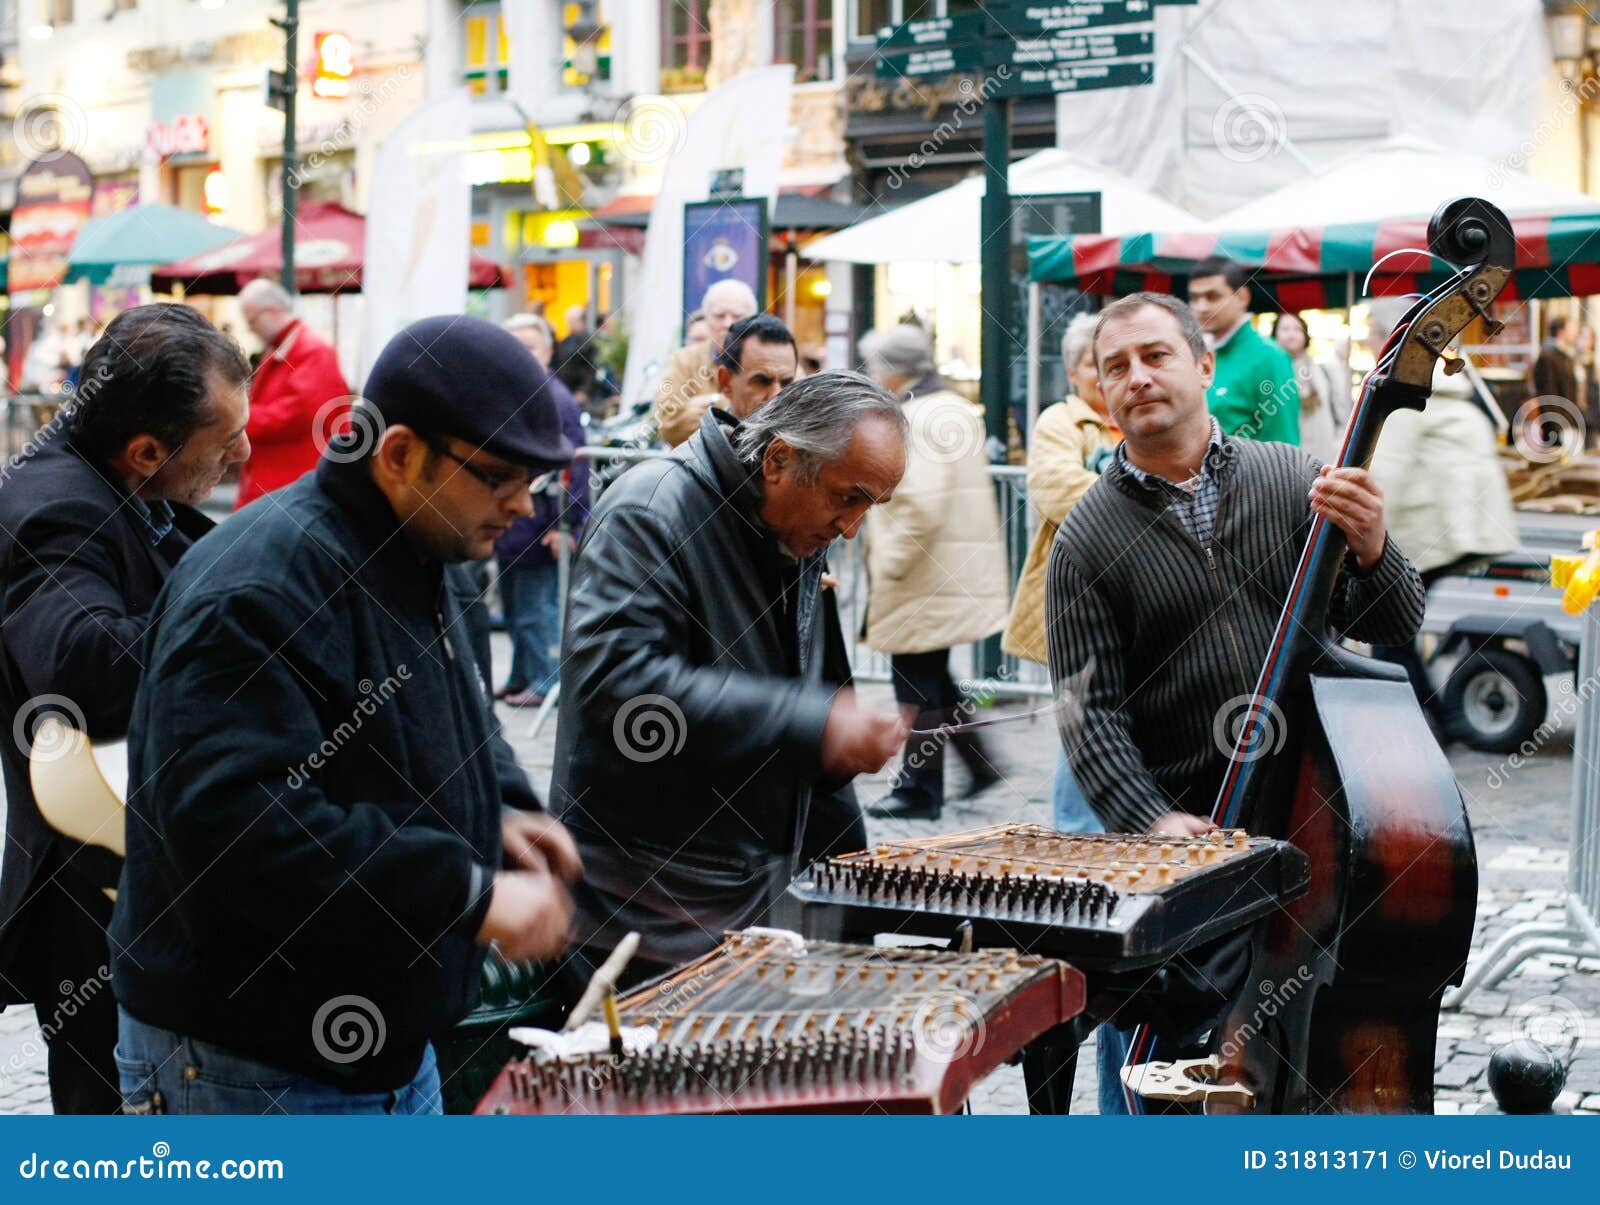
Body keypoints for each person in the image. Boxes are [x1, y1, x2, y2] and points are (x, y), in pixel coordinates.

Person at [109, 316, 582, 1115]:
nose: (522, 504)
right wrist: (465, 892)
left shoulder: (426, 545)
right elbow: (238, 826)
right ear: (398, 453)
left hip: (384, 1047)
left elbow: (461, 718)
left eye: (534, 480)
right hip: (253, 1061)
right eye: (500, 475)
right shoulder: (259, 584)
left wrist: (500, 804)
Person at [1045, 292, 1426, 1114]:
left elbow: (1397, 621)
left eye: (1156, 355)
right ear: (1099, 391)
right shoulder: (1086, 537)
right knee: (1155, 1069)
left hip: (1316, 827)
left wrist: (1372, 548)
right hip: (1185, 851)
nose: (1138, 377)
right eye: (1117, 367)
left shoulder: (1292, 479)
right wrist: (1153, 822)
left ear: (1203, 365)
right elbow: (1089, 715)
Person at [553, 372, 910, 984]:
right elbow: (617, 685)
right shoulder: (651, 507)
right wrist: (813, 723)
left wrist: (839, 759)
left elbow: (795, 692)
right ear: (778, 460)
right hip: (640, 899)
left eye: (869, 507)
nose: (852, 528)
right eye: (847, 498)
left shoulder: (791, 525)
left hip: (741, 887)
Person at [0, 304, 251, 1113]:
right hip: (92, 891)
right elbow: (89, 666)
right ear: (147, 449)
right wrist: (247, 609)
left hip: (146, 874)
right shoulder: (53, 508)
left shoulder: (130, 485)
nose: (242, 454)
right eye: (224, 443)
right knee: (112, 1125)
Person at [859, 324, 1010, 821]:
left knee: (916, 687)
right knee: (933, 681)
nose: (872, 373)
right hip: (943, 569)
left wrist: (889, 564)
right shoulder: (948, 408)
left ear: (897, 366)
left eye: (875, 362)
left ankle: (919, 792)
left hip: (922, 574)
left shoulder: (917, 416)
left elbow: (920, 504)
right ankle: (979, 764)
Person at [1364, 298, 1518, 733]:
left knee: (1389, 632)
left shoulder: (1405, 389)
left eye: (1375, 333)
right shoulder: (1448, 380)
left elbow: (1386, 474)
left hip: (1426, 534)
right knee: (1398, 633)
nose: (1371, 341)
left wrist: (1359, 539)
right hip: (1459, 533)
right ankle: (1436, 714)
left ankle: (1426, 720)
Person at [1001, 312, 1117, 833]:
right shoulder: (1059, 421)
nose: (1107, 373)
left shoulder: (1146, 415)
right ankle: (1076, 833)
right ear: (1073, 372)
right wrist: (1144, 497)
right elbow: (1054, 491)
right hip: (1078, 599)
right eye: (1095, 364)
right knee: (1083, 719)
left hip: (1146, 601)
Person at [494, 313, 590, 708]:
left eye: (529, 347)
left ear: (548, 352)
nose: (520, 354)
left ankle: (543, 680)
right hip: (515, 524)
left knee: (537, 608)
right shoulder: (515, 392)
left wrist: (565, 524)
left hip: (540, 525)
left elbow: (574, 465)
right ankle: (521, 675)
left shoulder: (554, 399)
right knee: (515, 607)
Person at [235, 278, 351, 509]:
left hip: (291, 484)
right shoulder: (291, 347)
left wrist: (239, 418)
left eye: (251, 320)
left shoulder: (311, 350)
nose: (250, 328)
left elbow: (299, 414)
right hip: (284, 483)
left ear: (273, 311)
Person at [1186, 258, 1299, 445]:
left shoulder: (1269, 356)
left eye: (1212, 296)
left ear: (1242, 297)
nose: (1202, 307)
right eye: (1195, 298)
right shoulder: (1196, 353)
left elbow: (1284, 445)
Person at [653, 279, 759, 447]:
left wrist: (708, 405)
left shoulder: (771, 360)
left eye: (737, 316)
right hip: (697, 469)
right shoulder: (683, 360)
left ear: (753, 320)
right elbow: (667, 425)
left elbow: (785, 423)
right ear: (706, 319)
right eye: (719, 315)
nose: (728, 323)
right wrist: (725, 403)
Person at [1272, 311, 1341, 462]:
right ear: (1275, 334)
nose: (1292, 334)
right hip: (1286, 453)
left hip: (1322, 449)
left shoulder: (1322, 370)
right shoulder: (1270, 371)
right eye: (1285, 329)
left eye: (1297, 329)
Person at [715, 314, 800, 419]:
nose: (776, 396)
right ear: (726, 382)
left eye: (786, 383)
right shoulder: (708, 435)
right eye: (762, 381)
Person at [1529, 314, 1581, 451]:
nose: (1576, 333)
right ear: (1562, 332)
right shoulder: (1548, 357)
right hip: (1556, 430)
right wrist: (1558, 428)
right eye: (1572, 329)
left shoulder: (1566, 357)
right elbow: (1548, 395)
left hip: (1569, 425)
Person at [553, 304, 598, 403]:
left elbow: (592, 368)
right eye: (568, 321)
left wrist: (584, 391)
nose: (570, 324)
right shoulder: (565, 341)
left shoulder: (590, 342)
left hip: (582, 393)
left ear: (582, 321)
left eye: (573, 321)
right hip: (566, 390)